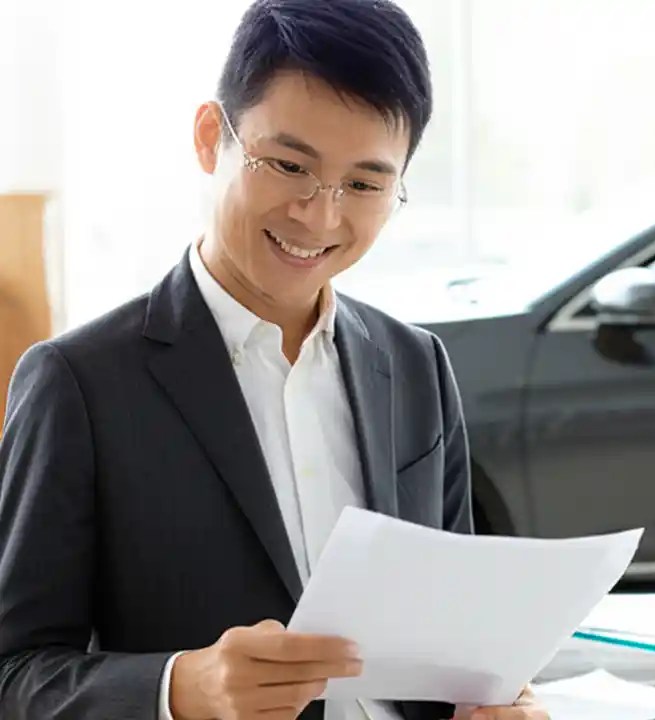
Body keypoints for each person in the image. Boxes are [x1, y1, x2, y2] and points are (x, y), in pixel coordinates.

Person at [0, 1, 552, 718]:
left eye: (363, 184)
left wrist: (497, 701)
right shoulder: (79, 383)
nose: (319, 217)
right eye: (289, 165)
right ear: (210, 138)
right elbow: (14, 671)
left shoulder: (416, 365)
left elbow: (457, 648)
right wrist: (178, 690)